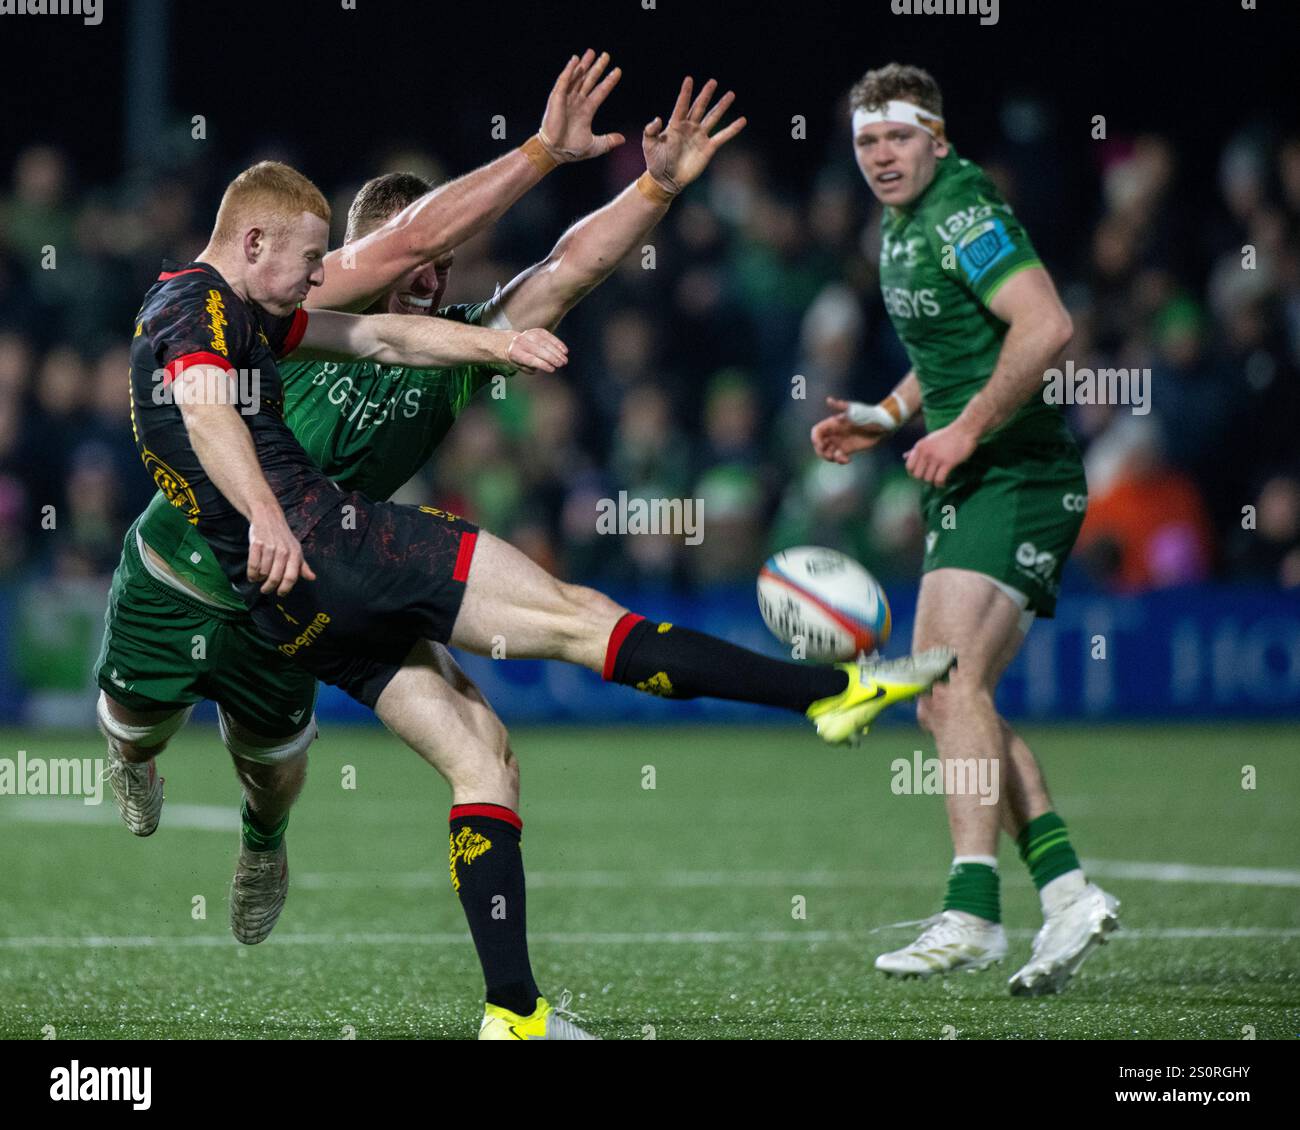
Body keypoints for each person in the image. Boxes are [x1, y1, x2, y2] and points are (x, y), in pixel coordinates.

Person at [112, 73, 953, 1039]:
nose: (434, 273)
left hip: (301, 587)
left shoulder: (386, 328)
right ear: (332, 252)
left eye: (445, 265)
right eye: (411, 256)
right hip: (256, 555)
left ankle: (513, 1015)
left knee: (478, 758)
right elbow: (233, 383)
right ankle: (827, 695)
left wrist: (654, 188)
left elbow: (549, 274)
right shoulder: (256, 304)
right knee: (572, 621)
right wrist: (544, 152)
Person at [811, 63, 1119, 995]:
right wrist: (889, 412)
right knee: (954, 696)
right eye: (866, 142)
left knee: (943, 683)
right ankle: (1067, 894)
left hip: (1016, 475)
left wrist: (967, 428)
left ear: (936, 139)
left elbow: (1046, 324)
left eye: (897, 138)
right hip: (977, 477)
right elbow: (950, 350)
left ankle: (975, 913)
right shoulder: (897, 228)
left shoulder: (960, 212)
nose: (880, 157)